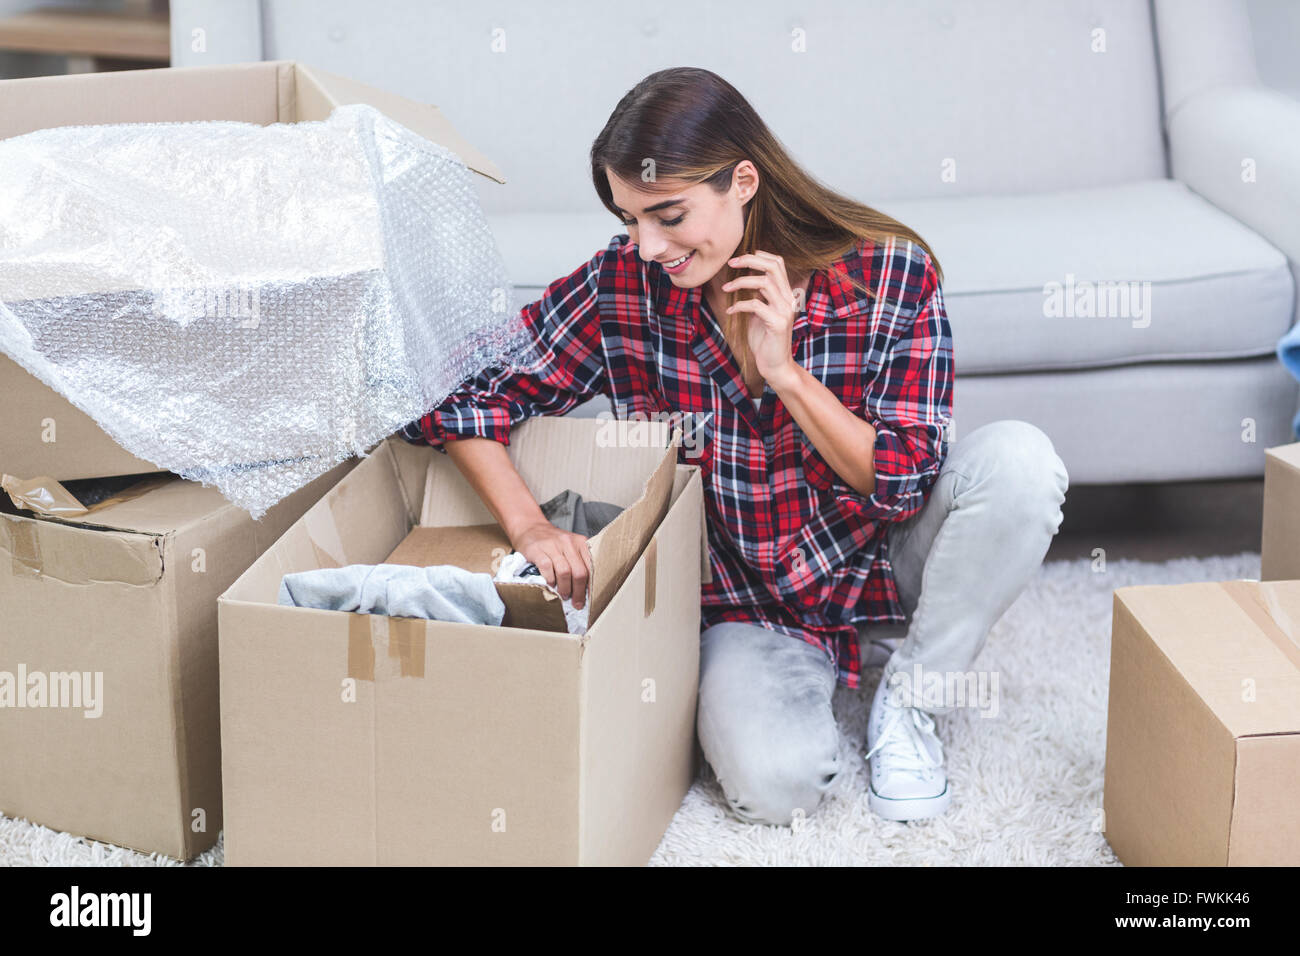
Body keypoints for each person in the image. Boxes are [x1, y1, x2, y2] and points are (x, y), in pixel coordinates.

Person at [401, 67, 1068, 826]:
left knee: (1020, 462)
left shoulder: (889, 274)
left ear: (742, 181)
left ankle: (912, 699)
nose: (647, 245)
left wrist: (784, 373)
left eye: (669, 215)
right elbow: (462, 394)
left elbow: (904, 485)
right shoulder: (626, 285)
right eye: (630, 219)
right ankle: (822, 670)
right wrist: (529, 528)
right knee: (775, 787)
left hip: (885, 558)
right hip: (749, 605)